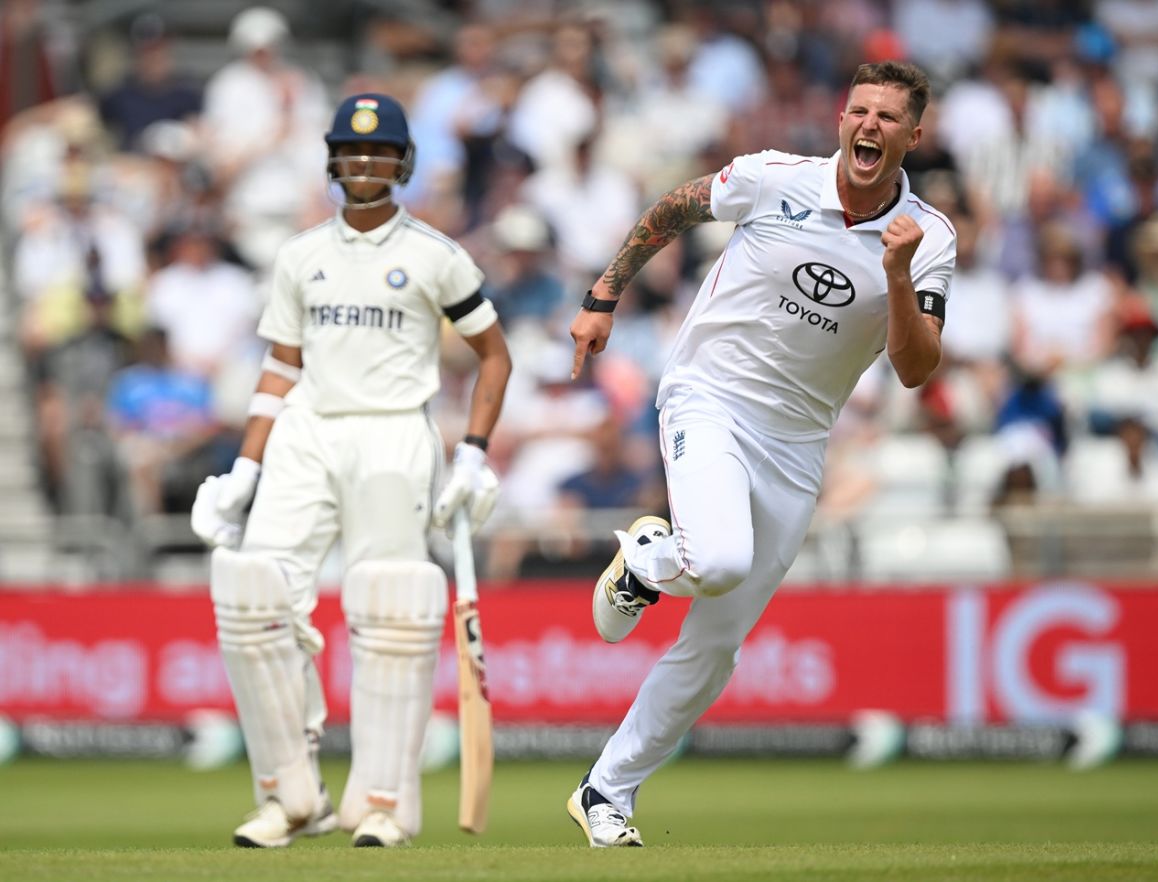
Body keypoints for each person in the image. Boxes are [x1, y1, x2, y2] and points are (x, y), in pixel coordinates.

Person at [566, 61, 955, 846]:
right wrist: (603, 296)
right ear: (841, 120)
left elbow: (916, 368)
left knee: (715, 645)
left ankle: (606, 790)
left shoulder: (929, 238)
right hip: (707, 395)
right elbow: (671, 211)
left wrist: (899, 276)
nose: (868, 126)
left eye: (887, 117)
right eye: (858, 111)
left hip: (797, 443)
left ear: (915, 135)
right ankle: (648, 554)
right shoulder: (772, 178)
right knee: (717, 559)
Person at [189, 93, 511, 849]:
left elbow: (494, 354)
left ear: (402, 162)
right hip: (307, 431)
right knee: (250, 593)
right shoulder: (301, 256)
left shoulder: (436, 254)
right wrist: (244, 469)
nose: (363, 164)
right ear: (333, 161)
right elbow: (279, 365)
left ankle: (383, 804)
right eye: (350, 152)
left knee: (391, 611)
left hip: (396, 433)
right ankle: (291, 796)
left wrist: (473, 453)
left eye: (378, 152)